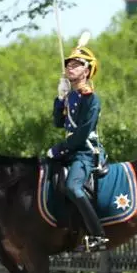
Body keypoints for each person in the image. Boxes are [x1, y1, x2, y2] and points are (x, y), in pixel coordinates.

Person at [45, 43, 109, 252]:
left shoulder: (92, 99)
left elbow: (82, 133)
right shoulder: (71, 96)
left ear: (87, 71)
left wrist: (60, 148)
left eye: (77, 64)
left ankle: (98, 235)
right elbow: (57, 122)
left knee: (73, 187)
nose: (70, 67)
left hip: (85, 151)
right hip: (71, 150)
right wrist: (60, 98)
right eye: (69, 64)